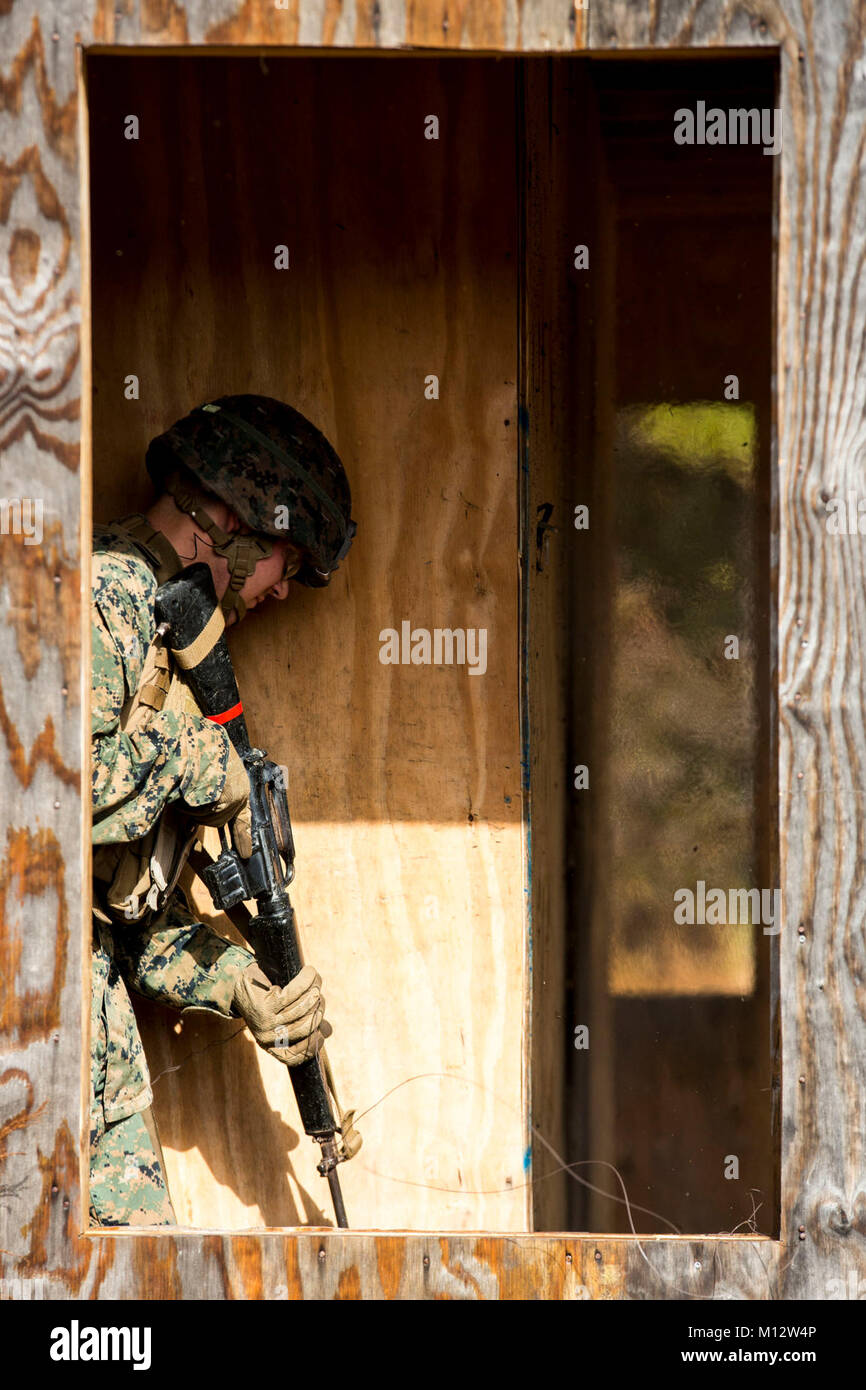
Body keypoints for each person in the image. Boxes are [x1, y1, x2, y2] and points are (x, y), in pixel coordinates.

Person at [89, 393, 356, 1226]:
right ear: (234, 521)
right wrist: (210, 764)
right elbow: (40, 798)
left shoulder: (175, 653)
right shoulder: (101, 593)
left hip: (86, 1041)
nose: (281, 592)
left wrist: (242, 984)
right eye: (286, 561)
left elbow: (125, 906)